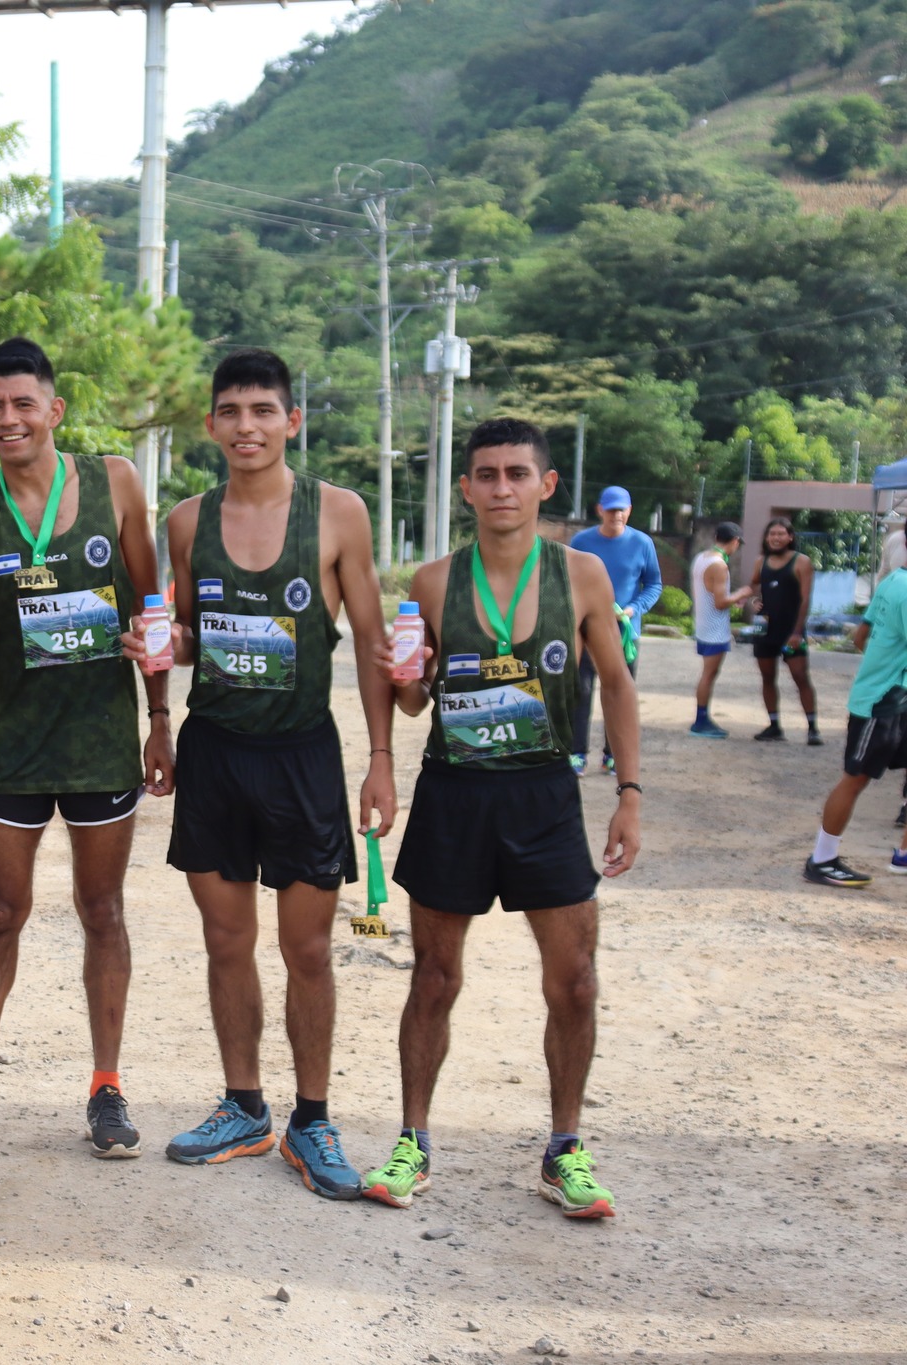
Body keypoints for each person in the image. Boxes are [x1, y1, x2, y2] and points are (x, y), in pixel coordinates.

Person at [0, 336, 173, 1160]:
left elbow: (150, 609)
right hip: (13, 746)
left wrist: (161, 718)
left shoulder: (116, 481)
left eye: (23, 404)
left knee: (103, 911)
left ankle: (108, 1088)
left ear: (54, 409)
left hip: (101, 744)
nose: (8, 418)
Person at [126, 349, 393, 1200]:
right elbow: (184, 633)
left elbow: (377, 652)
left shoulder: (340, 514)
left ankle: (312, 1119)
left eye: (263, 411)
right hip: (214, 752)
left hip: (304, 756)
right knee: (225, 940)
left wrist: (381, 760)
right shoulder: (186, 521)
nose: (247, 426)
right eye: (232, 411)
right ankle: (244, 1105)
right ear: (211, 424)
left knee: (308, 948)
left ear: (292, 422)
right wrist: (160, 707)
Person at [360, 418, 642, 1221]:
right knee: (434, 977)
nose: (502, 487)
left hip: (544, 795)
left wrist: (630, 792)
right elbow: (416, 697)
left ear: (546, 485)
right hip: (454, 794)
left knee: (575, 978)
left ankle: (565, 1148)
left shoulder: (582, 574)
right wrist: (405, 681)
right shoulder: (433, 580)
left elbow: (616, 685)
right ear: (466, 488)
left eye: (518, 473)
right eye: (486, 474)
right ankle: (412, 1140)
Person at [800, 563, 907, 887]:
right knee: (855, 779)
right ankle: (822, 859)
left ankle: (903, 855)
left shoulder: (894, 580)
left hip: (892, 694)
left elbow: (862, 634)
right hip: (882, 700)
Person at [567, 487, 660, 774]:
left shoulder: (642, 543)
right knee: (580, 692)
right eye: (610, 510)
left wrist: (634, 607)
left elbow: (654, 584)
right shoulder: (581, 541)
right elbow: (567, 581)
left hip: (623, 632)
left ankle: (612, 755)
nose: (616, 515)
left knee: (619, 692)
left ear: (629, 511)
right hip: (585, 631)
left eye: (621, 509)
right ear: (599, 510)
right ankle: (576, 753)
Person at [748, 517, 821, 745]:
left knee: (800, 676)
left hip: (791, 632)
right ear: (766, 538)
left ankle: (812, 728)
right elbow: (753, 587)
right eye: (772, 534)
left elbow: (805, 599)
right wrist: (753, 601)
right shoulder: (761, 561)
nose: (776, 538)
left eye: (781, 534)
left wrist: (797, 632)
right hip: (766, 632)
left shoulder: (802, 562)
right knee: (768, 677)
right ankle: (774, 726)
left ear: (790, 537)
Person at [689, 522, 752, 739]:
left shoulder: (701, 558)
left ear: (716, 536)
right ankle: (701, 720)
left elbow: (709, 594)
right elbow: (721, 602)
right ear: (735, 542)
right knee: (709, 675)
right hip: (715, 629)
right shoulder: (720, 565)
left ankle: (702, 718)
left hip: (704, 624)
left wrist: (731, 598)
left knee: (707, 674)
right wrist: (741, 593)